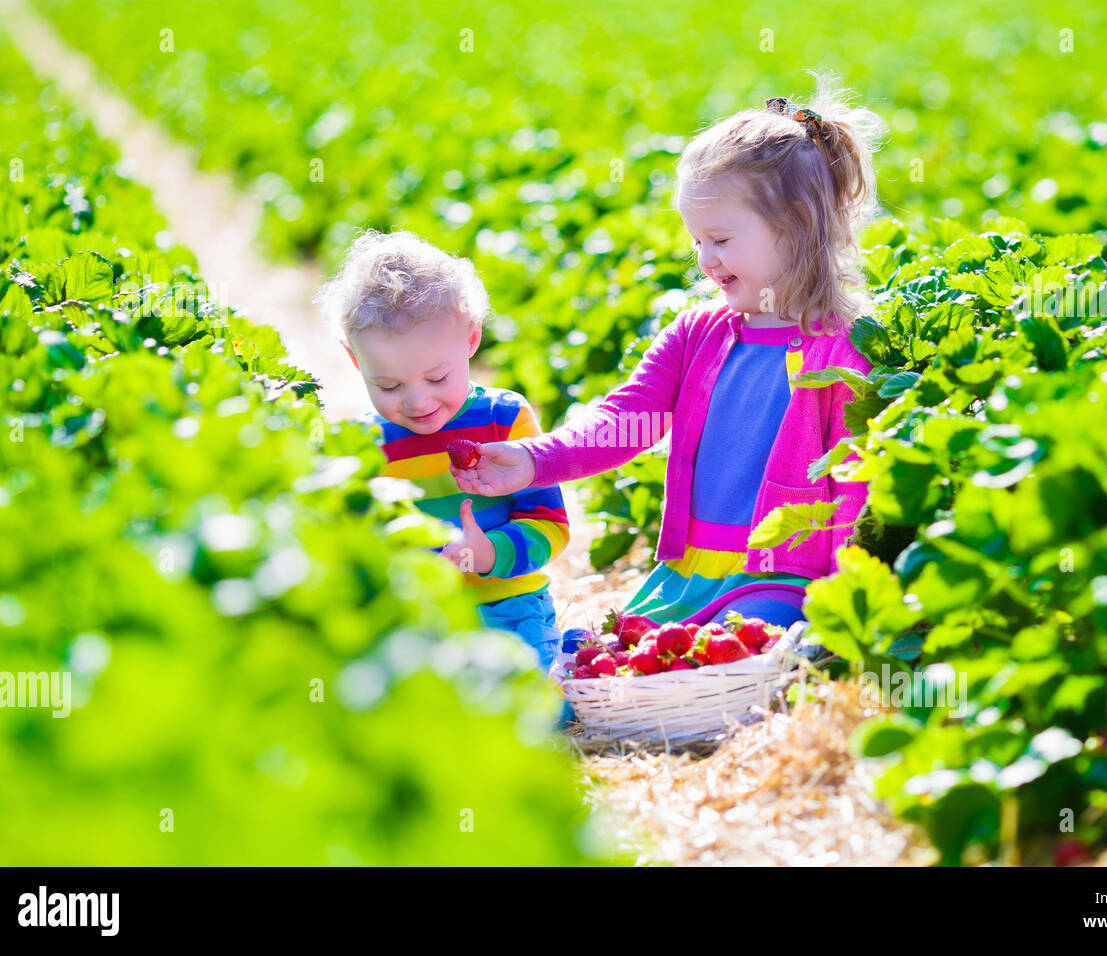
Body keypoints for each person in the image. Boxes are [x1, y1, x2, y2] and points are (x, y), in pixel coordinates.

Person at [451, 72, 885, 636]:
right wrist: (535, 460)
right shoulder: (697, 333)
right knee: (603, 649)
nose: (705, 259)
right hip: (689, 570)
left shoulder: (843, 350)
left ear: (799, 225)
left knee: (745, 648)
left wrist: (841, 599)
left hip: (784, 576)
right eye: (696, 240)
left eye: (722, 240)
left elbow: (855, 481)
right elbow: (625, 420)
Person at [316, 229, 570, 671]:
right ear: (356, 361)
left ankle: (567, 647)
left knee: (535, 710)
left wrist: (489, 553)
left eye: (437, 378)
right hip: (419, 622)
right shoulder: (365, 446)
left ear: (471, 339)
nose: (418, 402)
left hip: (507, 607)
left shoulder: (504, 418)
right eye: (389, 385)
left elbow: (551, 526)